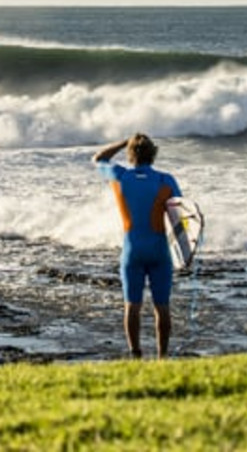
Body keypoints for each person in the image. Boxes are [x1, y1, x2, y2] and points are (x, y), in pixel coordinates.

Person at [92, 133, 182, 359]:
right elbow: (181, 217)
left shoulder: (120, 177)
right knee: (162, 307)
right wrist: (185, 251)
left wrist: (124, 143)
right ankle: (162, 358)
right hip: (160, 251)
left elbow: (98, 158)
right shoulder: (166, 180)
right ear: (154, 154)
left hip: (132, 250)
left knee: (132, 305)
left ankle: (135, 355)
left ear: (131, 155)